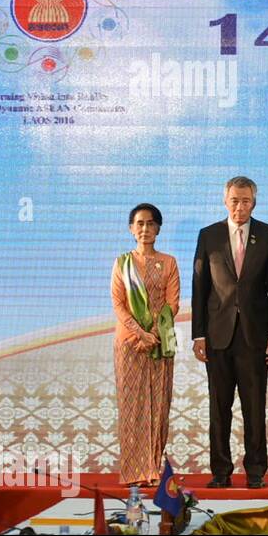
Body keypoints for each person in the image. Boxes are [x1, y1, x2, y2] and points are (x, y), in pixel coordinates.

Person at [191, 176, 268, 489]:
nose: (240, 206)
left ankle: (256, 471)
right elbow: (200, 287)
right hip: (218, 335)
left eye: (246, 201)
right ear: (225, 201)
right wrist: (198, 334)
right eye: (234, 200)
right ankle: (220, 471)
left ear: (253, 202)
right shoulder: (209, 235)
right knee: (219, 407)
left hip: (255, 336)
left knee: (254, 407)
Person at [111, 203, 179, 487]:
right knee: (132, 408)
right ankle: (133, 471)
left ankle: (152, 468)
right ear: (131, 229)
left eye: (151, 224)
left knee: (158, 406)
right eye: (139, 224)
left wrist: (154, 334)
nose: (145, 229)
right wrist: (140, 333)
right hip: (129, 345)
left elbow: (172, 303)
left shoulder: (169, 262)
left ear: (158, 229)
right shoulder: (122, 263)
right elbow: (118, 304)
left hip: (161, 344)